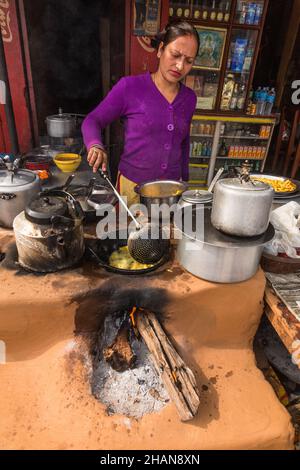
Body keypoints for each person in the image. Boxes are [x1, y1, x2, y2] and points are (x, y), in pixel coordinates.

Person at [82, 20, 199, 206]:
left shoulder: (189, 98)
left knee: (165, 235)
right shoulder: (130, 87)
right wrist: (95, 145)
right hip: (132, 189)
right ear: (160, 50)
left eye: (188, 61)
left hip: (171, 191)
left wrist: (185, 183)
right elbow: (92, 120)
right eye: (175, 55)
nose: (179, 66)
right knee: (130, 234)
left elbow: (183, 142)